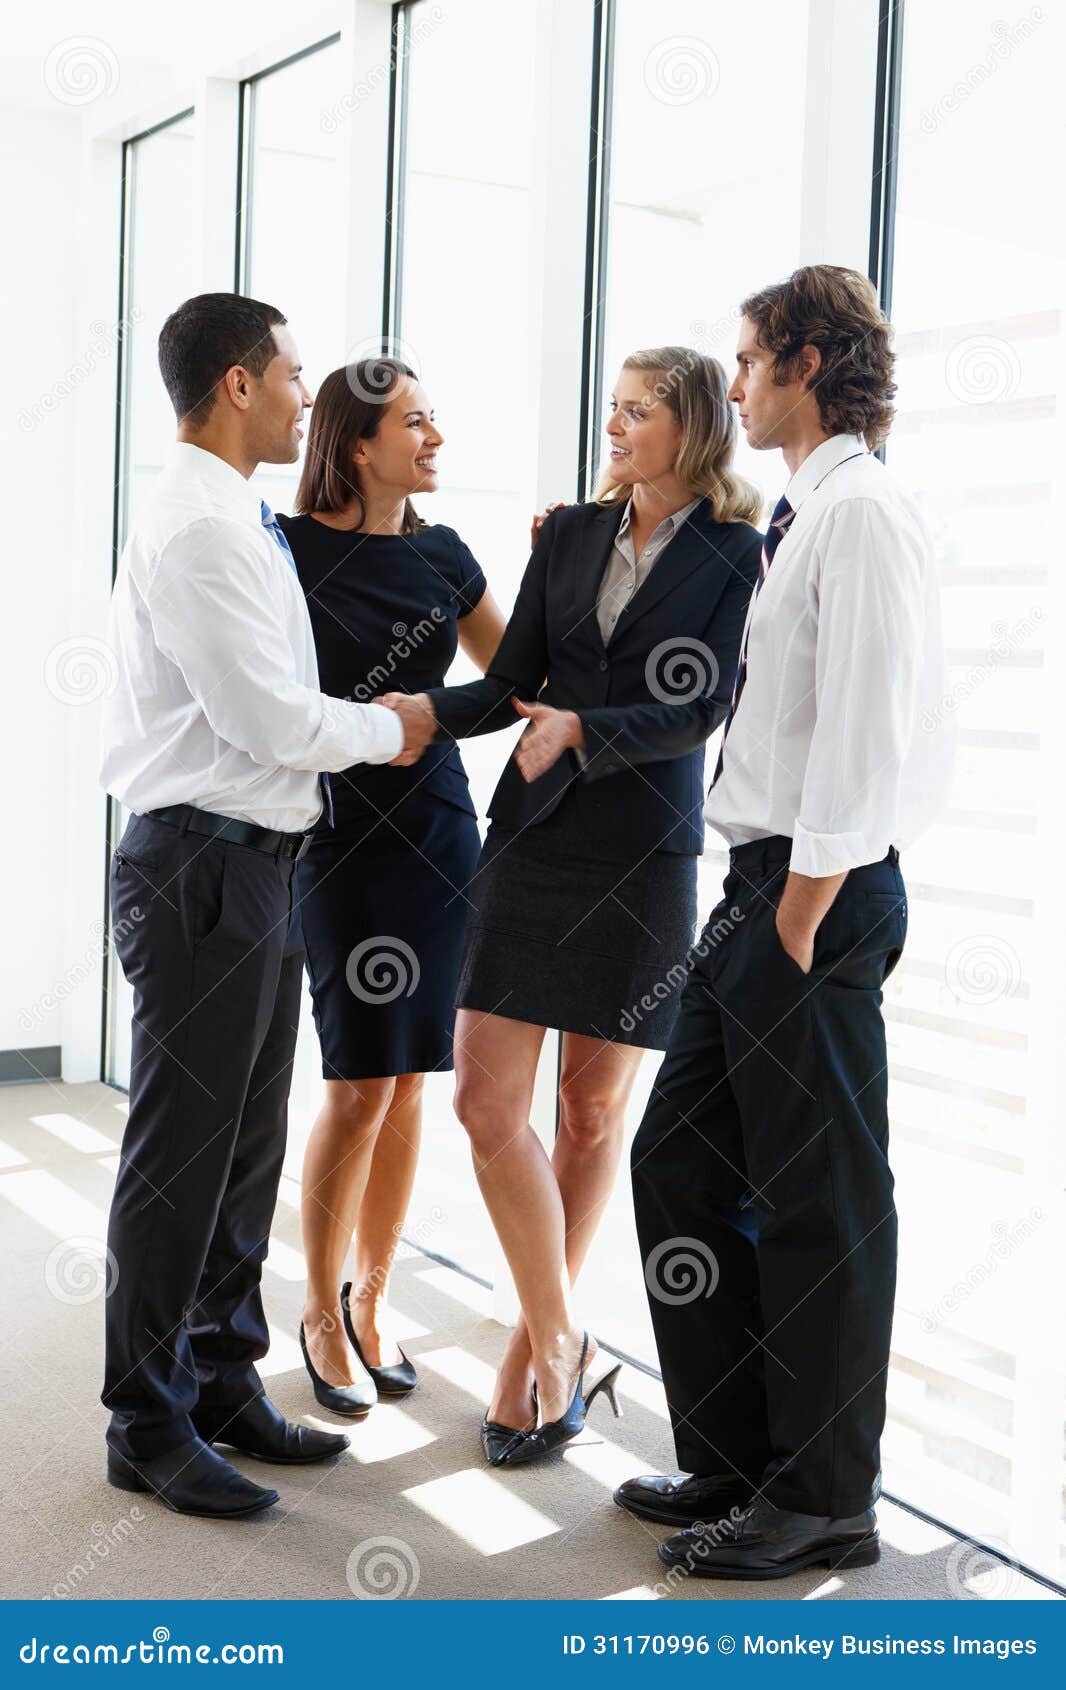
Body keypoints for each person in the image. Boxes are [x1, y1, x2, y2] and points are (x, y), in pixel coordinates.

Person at [619, 266, 954, 1579]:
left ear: (807, 362)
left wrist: (800, 912)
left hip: (809, 893)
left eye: (749, 360)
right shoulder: (800, 517)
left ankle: (821, 1496)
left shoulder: (862, 514)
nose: (736, 382)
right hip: (755, 891)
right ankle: (739, 1453)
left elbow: (867, 735)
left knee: (820, 1202)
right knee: (682, 1164)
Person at [387, 347, 763, 1466]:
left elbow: (700, 708)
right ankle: (562, 1330)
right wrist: (415, 714)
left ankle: (529, 1363)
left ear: (689, 428)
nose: (614, 427)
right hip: (537, 841)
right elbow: (513, 681)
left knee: (592, 1115)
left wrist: (589, 729)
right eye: (612, 409)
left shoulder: (739, 554)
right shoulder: (568, 535)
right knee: (485, 1102)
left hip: (642, 852)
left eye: (635, 412)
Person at [98, 293, 432, 1519]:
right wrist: (392, 728)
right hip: (203, 869)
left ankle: (221, 1378)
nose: (306, 395)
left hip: (254, 865)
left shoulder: (234, 516)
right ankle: (145, 1416)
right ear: (237, 386)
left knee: (242, 1145)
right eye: (291, 375)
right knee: (180, 1155)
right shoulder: (196, 530)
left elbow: (275, 708)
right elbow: (268, 720)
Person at [279, 360, 506, 1415]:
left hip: (438, 837)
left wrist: (423, 714)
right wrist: (379, 726)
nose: (436, 438)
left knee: (410, 1074)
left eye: (435, 417)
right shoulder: (285, 552)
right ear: (357, 445)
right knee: (356, 1080)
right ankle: (318, 1309)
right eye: (415, 423)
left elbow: (514, 684)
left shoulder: (443, 553)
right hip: (332, 838)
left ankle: (372, 1298)